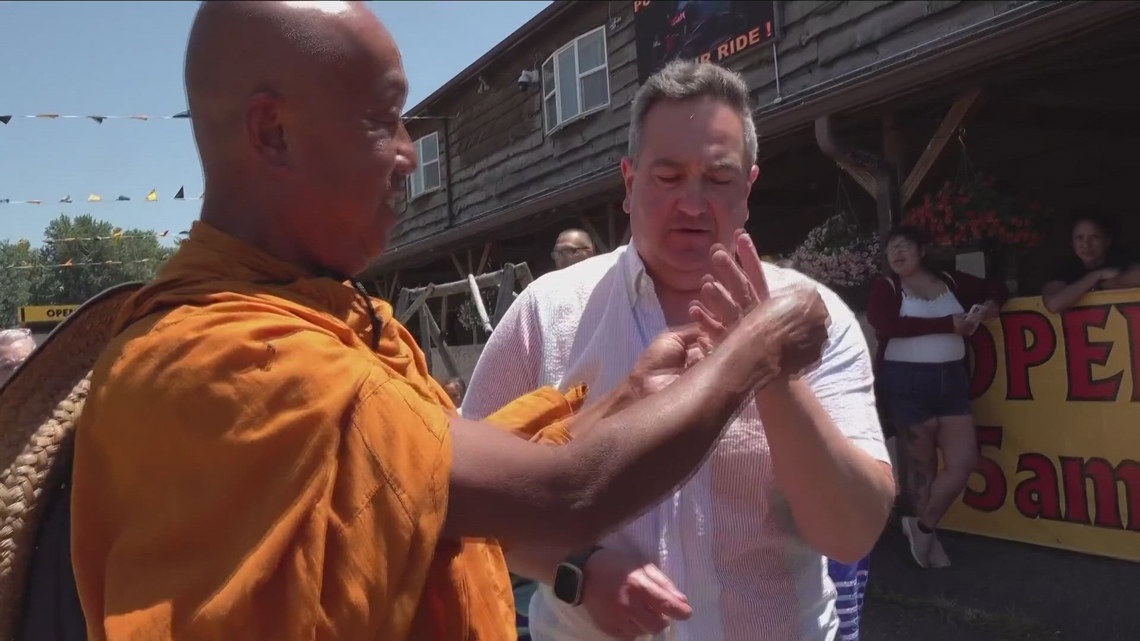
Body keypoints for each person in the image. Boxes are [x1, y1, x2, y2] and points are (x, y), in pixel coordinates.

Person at [67, 4, 831, 641]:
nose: (408, 156)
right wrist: (756, 347)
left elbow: (440, 487)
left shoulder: (329, 318)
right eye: (382, 122)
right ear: (272, 132)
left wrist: (628, 398)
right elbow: (564, 494)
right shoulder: (226, 356)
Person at [464, 60, 896, 641]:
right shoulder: (548, 312)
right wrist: (577, 571)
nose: (692, 204)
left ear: (748, 188)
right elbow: (467, 499)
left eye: (718, 179)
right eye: (668, 177)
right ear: (629, 183)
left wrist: (770, 367)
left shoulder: (814, 318)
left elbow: (851, 533)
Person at [867, 225, 1009, 569]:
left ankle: (924, 527)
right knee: (923, 467)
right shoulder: (888, 287)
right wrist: (947, 325)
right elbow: (883, 322)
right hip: (906, 383)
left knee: (964, 461)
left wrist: (990, 306)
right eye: (892, 249)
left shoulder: (951, 281)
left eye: (905, 246)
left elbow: (996, 287)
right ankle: (927, 540)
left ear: (922, 251)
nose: (897, 253)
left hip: (952, 380)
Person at [1041, 211, 1140, 313]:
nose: (1086, 245)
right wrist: (1096, 276)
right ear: (1072, 242)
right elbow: (1053, 305)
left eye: (1094, 237)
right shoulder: (1063, 268)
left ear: (1107, 241)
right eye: (1079, 238)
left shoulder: (1122, 258)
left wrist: (1110, 283)